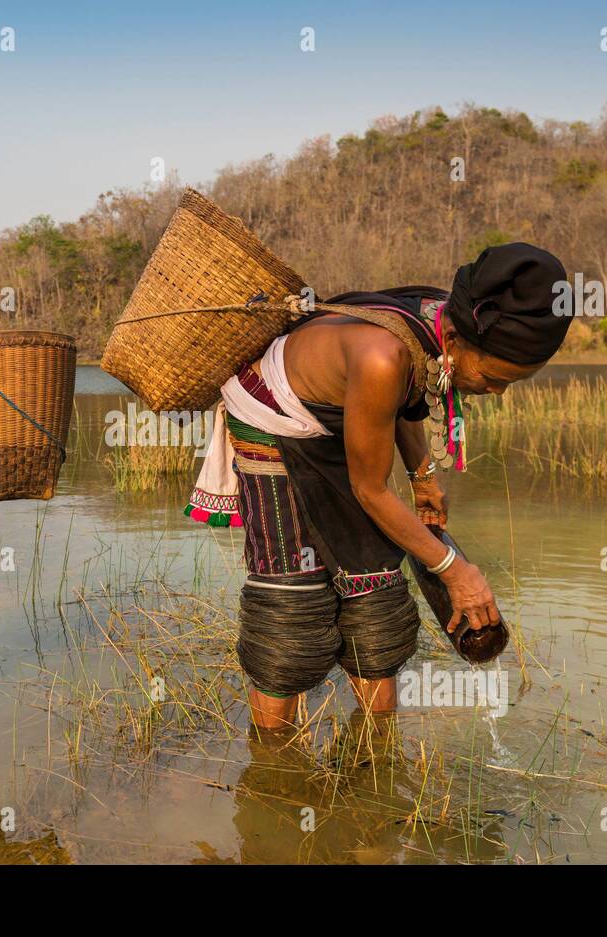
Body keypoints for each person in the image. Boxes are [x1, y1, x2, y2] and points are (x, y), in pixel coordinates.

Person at [187, 243, 570, 729]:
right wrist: (455, 572)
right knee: (294, 610)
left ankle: (376, 751)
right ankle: (275, 766)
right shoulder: (381, 356)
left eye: (510, 384)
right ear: (454, 338)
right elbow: (370, 487)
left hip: (337, 419)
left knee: (376, 594)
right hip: (274, 423)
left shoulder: (436, 318)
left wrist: (422, 475)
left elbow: (408, 390)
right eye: (492, 377)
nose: (496, 391)